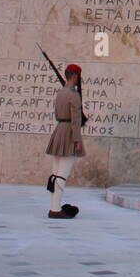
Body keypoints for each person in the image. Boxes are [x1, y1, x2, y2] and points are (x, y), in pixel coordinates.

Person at [45, 64, 85, 219]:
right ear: (75, 76)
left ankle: (54, 206)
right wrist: (77, 139)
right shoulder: (74, 95)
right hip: (68, 132)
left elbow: (56, 114)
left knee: (55, 174)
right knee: (62, 175)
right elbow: (76, 120)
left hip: (59, 130)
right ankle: (55, 209)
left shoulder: (60, 92)